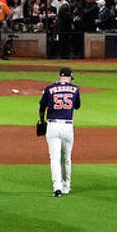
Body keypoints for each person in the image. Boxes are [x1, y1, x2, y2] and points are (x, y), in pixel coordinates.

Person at [39, 66, 81, 196]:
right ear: (69, 77)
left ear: (60, 76)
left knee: (54, 159)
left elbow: (41, 108)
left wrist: (41, 121)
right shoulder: (75, 89)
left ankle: (57, 188)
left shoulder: (49, 89)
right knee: (66, 158)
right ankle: (66, 186)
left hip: (52, 125)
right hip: (67, 127)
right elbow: (77, 106)